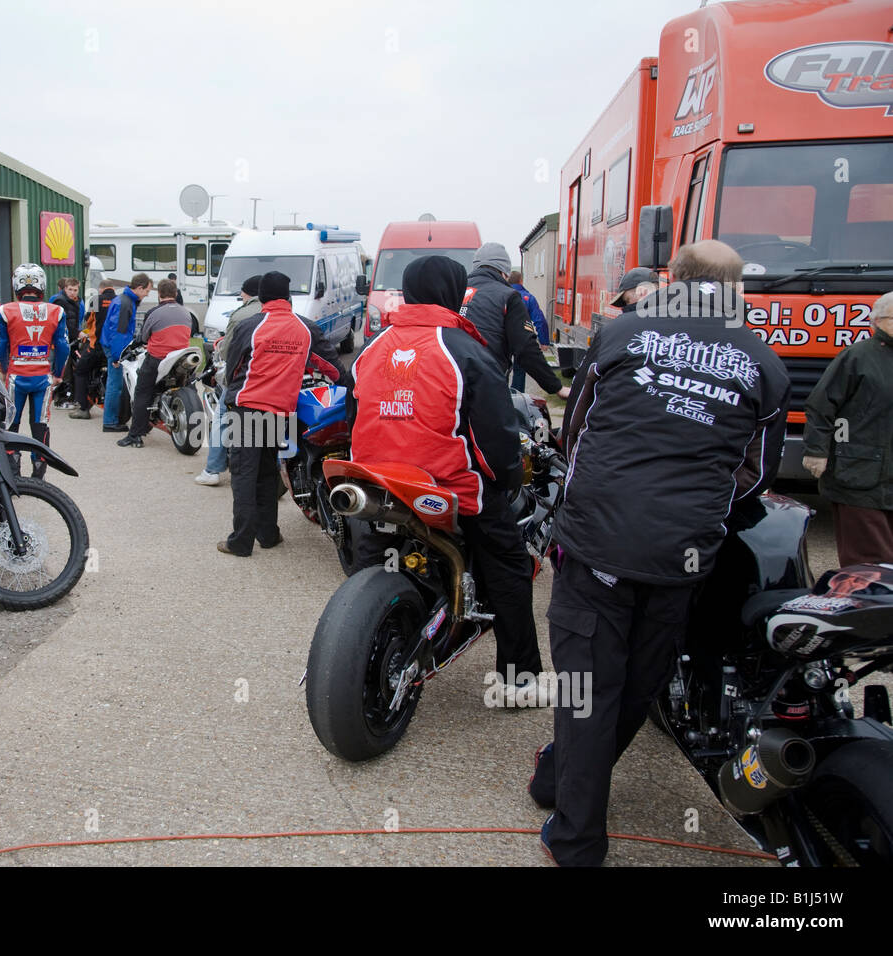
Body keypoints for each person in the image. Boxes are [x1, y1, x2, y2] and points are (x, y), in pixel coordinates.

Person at [530, 240, 790, 866]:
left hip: (598, 542)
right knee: (636, 685)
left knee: (589, 689)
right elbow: (757, 474)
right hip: (682, 555)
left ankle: (576, 840)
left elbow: (577, 430)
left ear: (674, 278)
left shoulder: (623, 332)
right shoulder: (765, 363)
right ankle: (556, 782)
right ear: (736, 292)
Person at [349, 255, 546, 701]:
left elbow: (353, 418)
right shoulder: (468, 352)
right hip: (448, 490)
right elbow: (496, 441)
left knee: (370, 555)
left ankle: (365, 637)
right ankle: (520, 682)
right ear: (456, 293)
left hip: (377, 486)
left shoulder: (370, 350)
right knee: (512, 566)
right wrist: (507, 482)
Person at [218, 271, 344, 556]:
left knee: (243, 475)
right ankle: (268, 534)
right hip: (279, 412)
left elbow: (234, 367)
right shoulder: (305, 328)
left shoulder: (250, 325)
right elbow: (334, 369)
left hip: (246, 408)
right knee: (266, 473)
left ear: (261, 297)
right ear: (289, 297)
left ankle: (240, 542)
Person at [802, 291, 893, 566]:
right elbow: (821, 405)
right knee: (867, 564)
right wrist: (816, 451)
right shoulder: (858, 356)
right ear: (877, 322)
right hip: (859, 476)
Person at [461, 243, 570, 401]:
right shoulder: (507, 296)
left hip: (450, 385)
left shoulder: (455, 291)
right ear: (504, 272)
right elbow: (525, 347)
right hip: (486, 387)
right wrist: (556, 386)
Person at [0, 263, 70, 478]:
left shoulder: (5, 310)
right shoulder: (57, 311)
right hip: (43, 376)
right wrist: (58, 374)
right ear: (42, 285)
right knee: (40, 424)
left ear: (16, 285)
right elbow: (63, 346)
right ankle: (38, 476)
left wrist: (4, 368)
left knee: (12, 423)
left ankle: (13, 473)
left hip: (16, 375)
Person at [196, 274, 263, 485]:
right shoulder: (282, 312)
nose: (241, 295)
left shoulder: (242, 314)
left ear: (248, 292)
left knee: (222, 419)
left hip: (242, 377)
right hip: (271, 379)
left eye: (242, 291)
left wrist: (221, 347)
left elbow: (228, 351)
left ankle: (212, 470)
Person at [117, 279, 195, 448]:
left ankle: (135, 434)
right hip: (181, 357)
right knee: (190, 383)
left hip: (158, 357)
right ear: (175, 294)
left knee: (142, 392)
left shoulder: (154, 313)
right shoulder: (186, 313)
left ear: (159, 294)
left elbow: (144, 337)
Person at [99, 274, 153, 433]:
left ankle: (113, 419)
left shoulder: (125, 300)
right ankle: (110, 422)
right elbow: (119, 332)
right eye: (147, 291)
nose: (147, 294)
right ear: (140, 288)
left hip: (113, 345)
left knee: (116, 384)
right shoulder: (125, 303)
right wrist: (118, 356)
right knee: (115, 386)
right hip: (115, 348)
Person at [68, 283, 117, 420]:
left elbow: (88, 319)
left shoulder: (96, 299)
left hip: (97, 345)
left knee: (80, 370)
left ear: (101, 289)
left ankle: (83, 408)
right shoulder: (119, 300)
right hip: (115, 347)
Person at [508, 269, 549, 392]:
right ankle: (517, 396)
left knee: (500, 368)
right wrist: (544, 341)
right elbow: (540, 320)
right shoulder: (528, 298)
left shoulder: (501, 294)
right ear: (521, 281)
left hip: (502, 338)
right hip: (521, 339)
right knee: (519, 370)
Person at [49, 277, 85, 408]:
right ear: (65, 288)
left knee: (66, 368)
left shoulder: (75, 301)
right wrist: (77, 332)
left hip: (69, 339)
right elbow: (64, 323)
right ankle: (59, 398)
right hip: (60, 340)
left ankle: (63, 397)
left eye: (75, 290)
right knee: (61, 369)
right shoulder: (60, 301)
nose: (73, 292)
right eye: (70, 289)